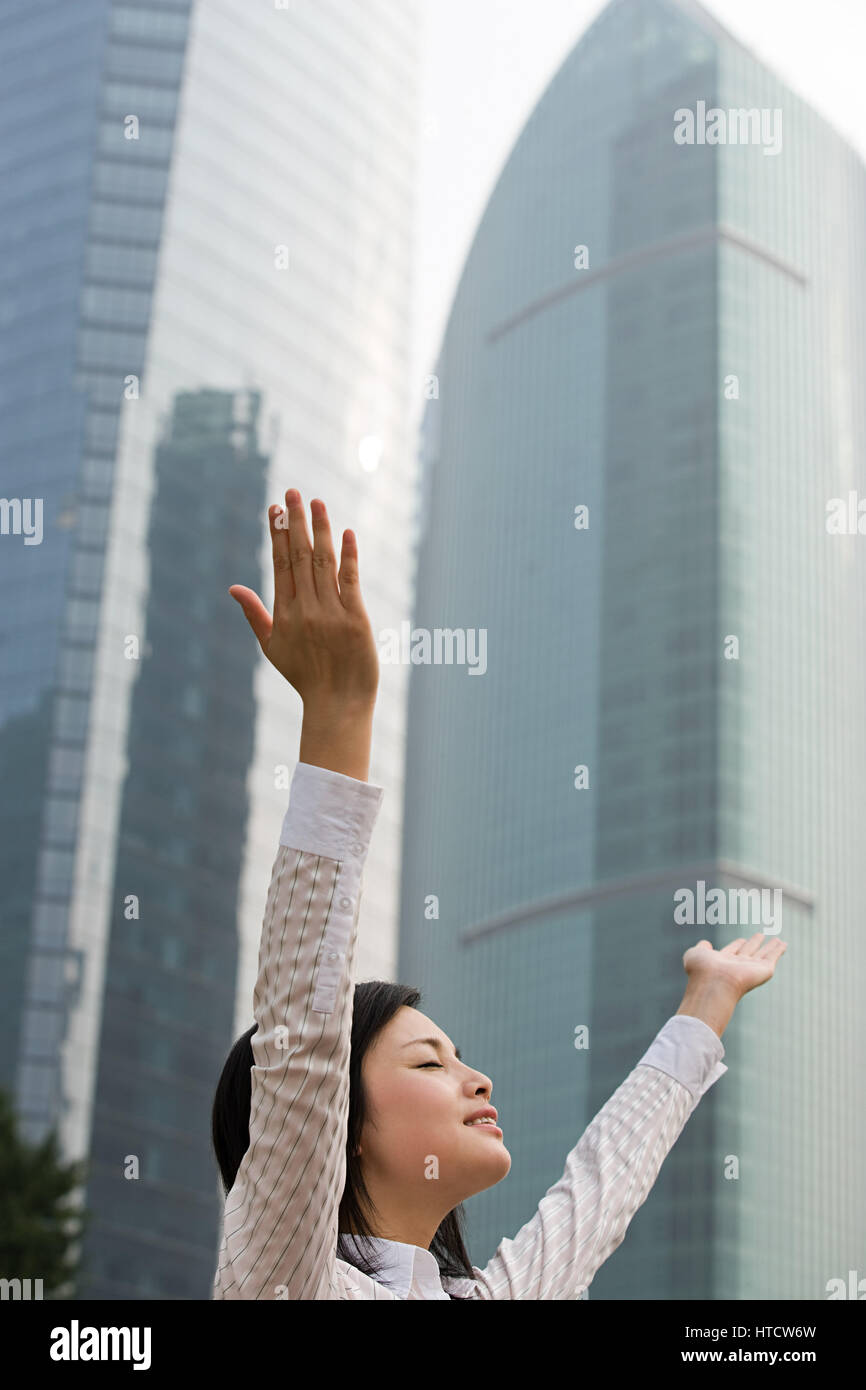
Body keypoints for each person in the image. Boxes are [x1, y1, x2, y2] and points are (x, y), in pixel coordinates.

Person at [211, 489, 787, 1301]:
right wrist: (339, 718)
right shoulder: (281, 1279)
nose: (477, 1080)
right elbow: (302, 1046)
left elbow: (603, 1183)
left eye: (454, 1059)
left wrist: (708, 1001)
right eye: (429, 1062)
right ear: (340, 1120)